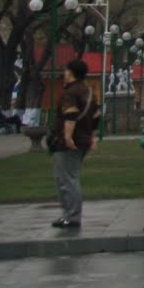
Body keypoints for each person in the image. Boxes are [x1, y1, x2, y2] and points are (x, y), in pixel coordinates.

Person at [48, 58, 98, 229]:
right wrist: (91, 136)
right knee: (68, 177)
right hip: (83, 140)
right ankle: (68, 214)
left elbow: (70, 116)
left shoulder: (71, 92)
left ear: (71, 73)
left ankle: (72, 216)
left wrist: (68, 138)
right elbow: (96, 117)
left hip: (69, 142)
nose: (64, 74)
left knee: (67, 179)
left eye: (66, 71)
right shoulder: (88, 91)